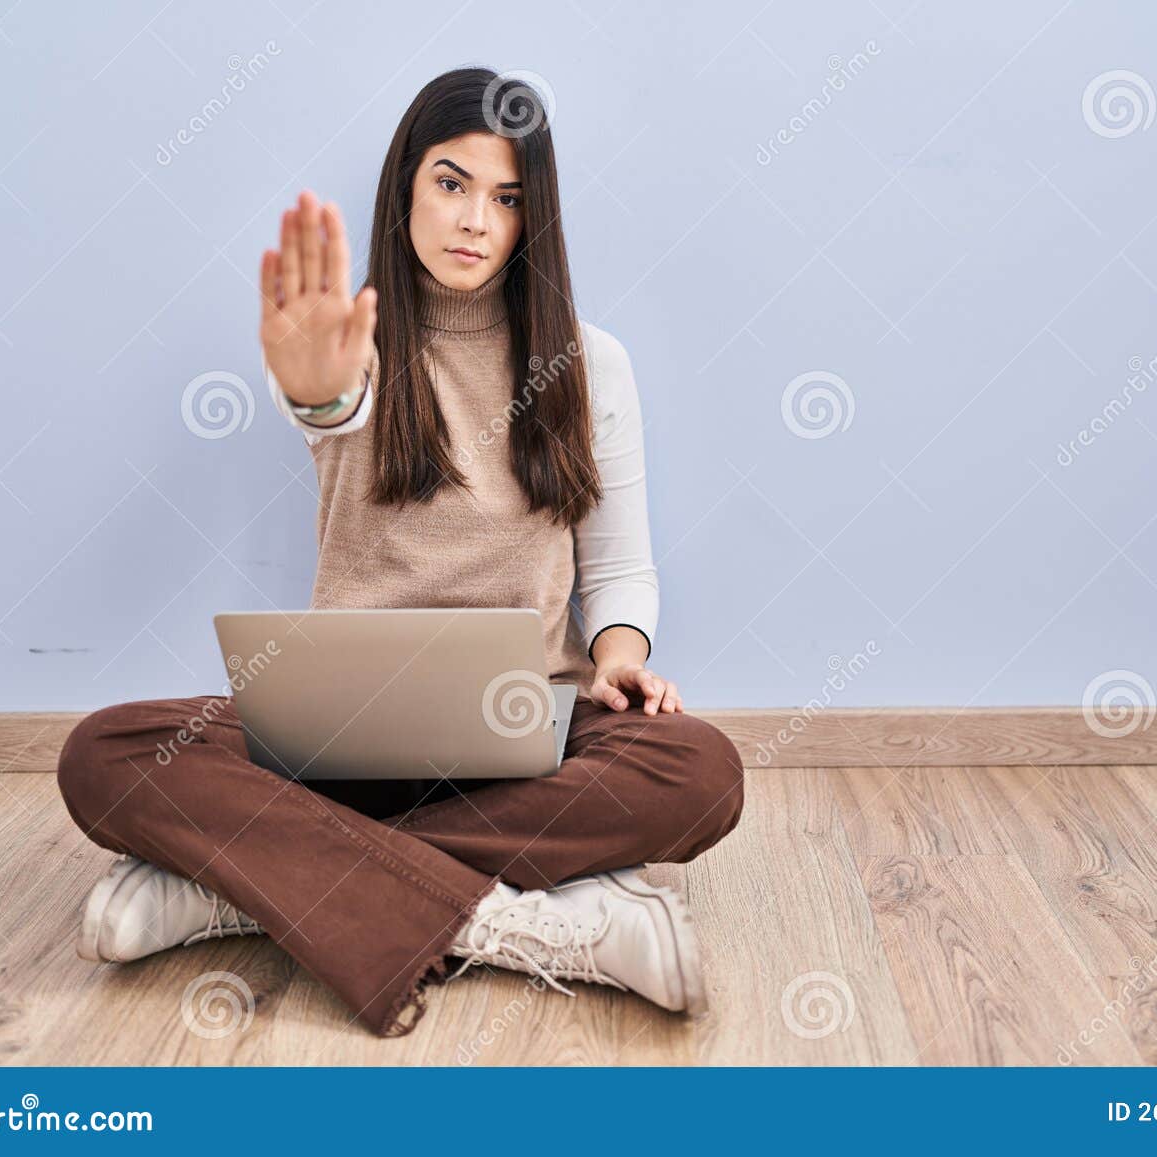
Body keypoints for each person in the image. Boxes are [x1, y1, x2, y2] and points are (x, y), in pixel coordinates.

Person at [55, 67, 745, 1037]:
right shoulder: (348, 346)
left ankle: (242, 891)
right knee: (106, 754)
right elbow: (333, 400)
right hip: (338, 741)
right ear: (405, 188)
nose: (474, 219)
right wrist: (318, 390)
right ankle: (521, 924)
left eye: (506, 199)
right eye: (451, 183)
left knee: (699, 768)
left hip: (532, 731)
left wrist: (621, 661)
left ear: (532, 218)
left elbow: (619, 571)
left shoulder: (591, 365)